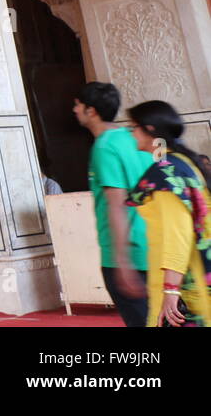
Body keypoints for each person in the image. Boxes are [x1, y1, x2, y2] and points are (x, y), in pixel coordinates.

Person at [125, 100, 211, 327]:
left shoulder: (165, 173)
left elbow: (177, 234)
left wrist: (171, 290)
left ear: (150, 129)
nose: (131, 134)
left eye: (133, 127)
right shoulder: (183, 162)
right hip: (198, 272)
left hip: (186, 283)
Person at [73, 81, 151, 327]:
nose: (74, 110)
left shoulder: (104, 146)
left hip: (130, 252)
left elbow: (116, 205)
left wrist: (122, 262)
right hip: (156, 245)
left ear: (91, 110)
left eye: (77, 105)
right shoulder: (136, 139)